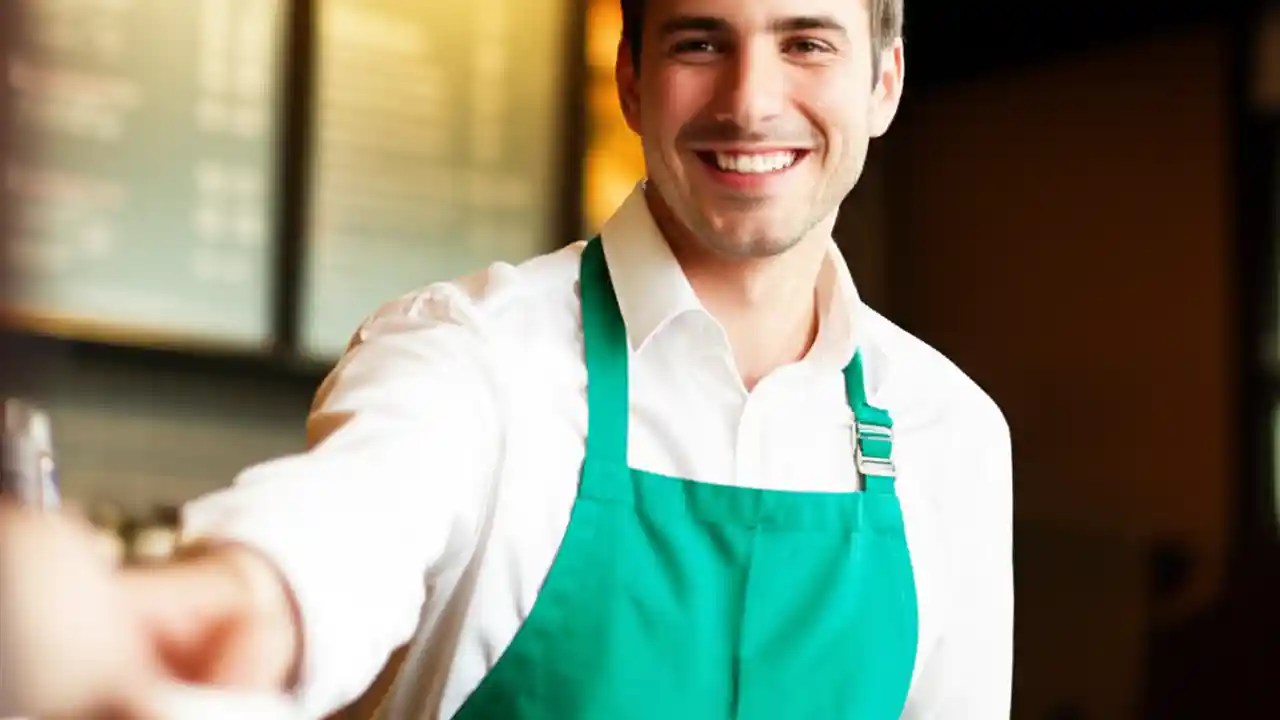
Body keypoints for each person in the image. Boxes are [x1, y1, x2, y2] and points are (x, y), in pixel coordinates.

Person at [0, 0, 1013, 717]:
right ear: (629, 78)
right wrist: (191, 612)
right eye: (700, 42)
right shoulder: (472, 357)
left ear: (882, 81)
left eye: (805, 42)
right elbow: (336, 540)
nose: (749, 99)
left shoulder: (947, 433)